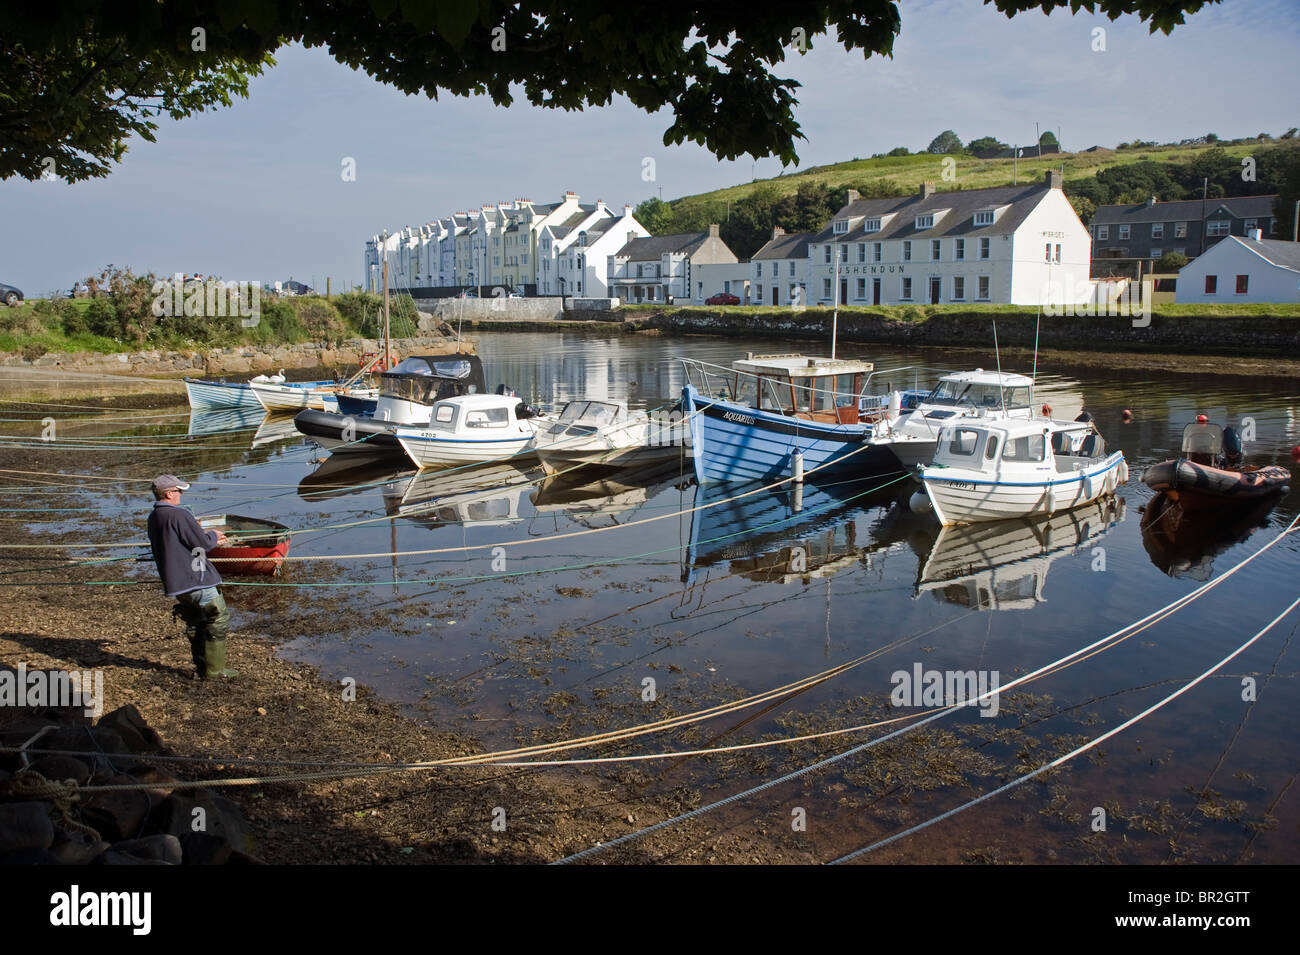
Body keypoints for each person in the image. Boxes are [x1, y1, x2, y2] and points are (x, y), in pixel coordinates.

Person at [146, 474, 237, 679]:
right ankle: (215, 671)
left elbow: (176, 541)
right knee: (217, 618)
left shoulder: (155, 517)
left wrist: (194, 528)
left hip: (177, 584)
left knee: (196, 622)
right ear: (169, 493)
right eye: (179, 491)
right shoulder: (179, 515)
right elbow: (203, 544)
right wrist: (213, 535)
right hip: (195, 579)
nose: (181, 495)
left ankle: (202, 667)